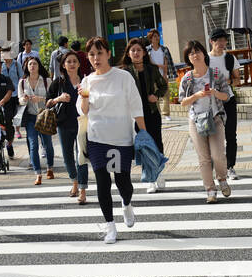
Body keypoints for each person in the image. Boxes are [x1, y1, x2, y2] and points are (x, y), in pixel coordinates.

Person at [78, 36, 147, 244]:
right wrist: (84, 97)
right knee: (102, 181)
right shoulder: (87, 81)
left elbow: (135, 105)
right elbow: (83, 111)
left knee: (122, 182)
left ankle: (126, 204)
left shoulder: (123, 77)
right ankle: (110, 226)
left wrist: (143, 133)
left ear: (108, 54)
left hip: (121, 138)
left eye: (100, 53)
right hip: (97, 137)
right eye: (91, 54)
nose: (96, 58)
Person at [178, 39, 231, 203]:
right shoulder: (186, 78)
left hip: (215, 118)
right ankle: (210, 189)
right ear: (188, 58)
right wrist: (196, 95)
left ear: (203, 53)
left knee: (217, 155)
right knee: (203, 158)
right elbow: (182, 101)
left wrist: (214, 92)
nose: (195, 55)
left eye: (197, 51)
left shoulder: (215, 73)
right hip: (196, 121)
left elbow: (227, 96)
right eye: (191, 53)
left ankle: (222, 178)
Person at [122, 37, 169, 192]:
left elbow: (163, 86)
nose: (136, 53)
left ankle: (159, 172)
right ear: (128, 53)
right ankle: (150, 178)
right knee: (143, 145)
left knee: (157, 142)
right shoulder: (125, 72)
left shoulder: (152, 69)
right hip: (135, 115)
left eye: (138, 50)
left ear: (143, 53)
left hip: (152, 112)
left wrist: (156, 95)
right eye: (133, 50)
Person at [47, 50, 89, 203]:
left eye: (74, 61)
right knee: (67, 157)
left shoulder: (85, 81)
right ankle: (74, 181)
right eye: (68, 62)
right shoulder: (58, 82)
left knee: (81, 157)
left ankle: (83, 190)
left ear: (78, 64)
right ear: (63, 65)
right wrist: (59, 98)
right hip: (64, 124)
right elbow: (47, 102)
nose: (71, 64)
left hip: (82, 123)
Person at [208, 30, 242, 178]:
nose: (222, 44)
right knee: (212, 135)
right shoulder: (205, 59)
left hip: (228, 99)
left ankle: (230, 167)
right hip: (210, 101)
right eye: (218, 41)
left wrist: (225, 82)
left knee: (230, 134)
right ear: (211, 42)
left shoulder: (229, 58)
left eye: (224, 41)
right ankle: (214, 167)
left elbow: (237, 80)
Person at [18, 55, 56, 184]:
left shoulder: (46, 81)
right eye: (30, 64)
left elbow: (52, 99)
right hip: (30, 117)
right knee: (33, 145)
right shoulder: (22, 82)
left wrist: (40, 99)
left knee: (48, 145)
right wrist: (24, 99)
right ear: (26, 67)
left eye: (34, 64)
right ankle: (38, 173)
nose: (32, 66)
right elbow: (20, 100)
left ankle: (50, 167)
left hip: (44, 115)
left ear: (39, 66)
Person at [0, 50, 21, 157]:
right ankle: (9, 143)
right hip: (5, 98)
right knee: (7, 121)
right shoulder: (0, 65)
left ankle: (16, 133)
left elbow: (22, 79)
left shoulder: (17, 64)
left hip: (17, 95)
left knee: (18, 119)